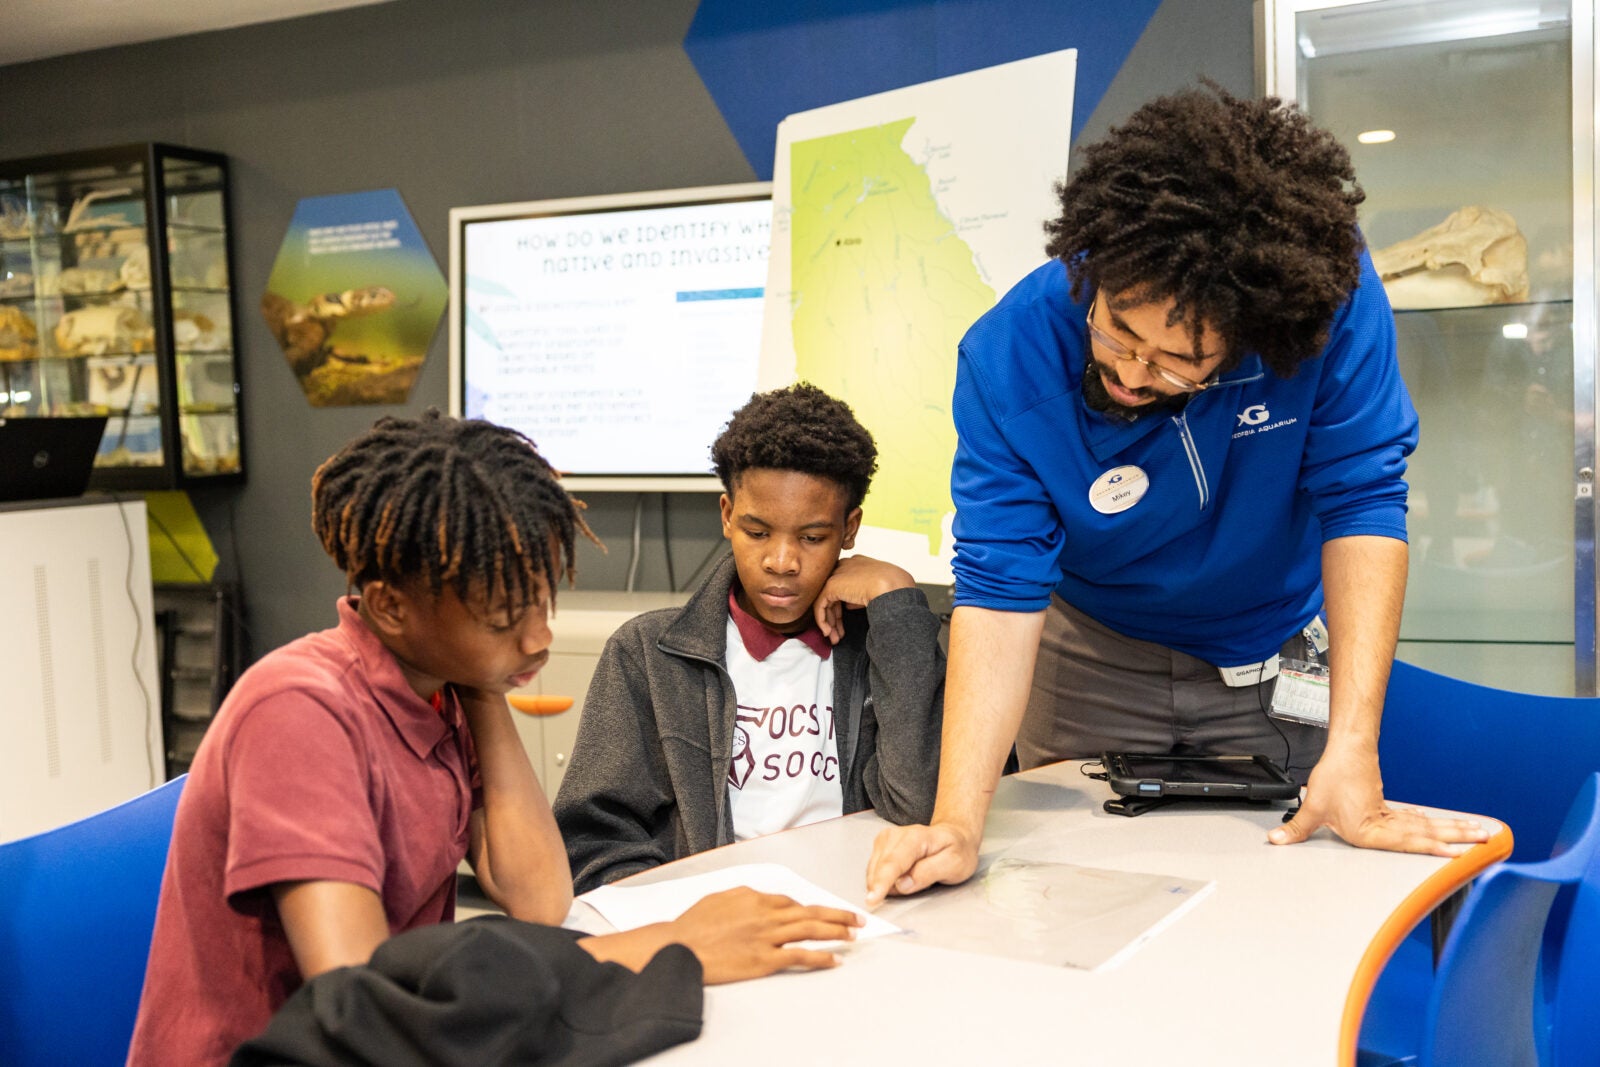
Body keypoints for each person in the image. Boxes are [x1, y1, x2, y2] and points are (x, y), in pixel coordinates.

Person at [865, 84, 1489, 906]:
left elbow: (1364, 497)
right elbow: (999, 588)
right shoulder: (1008, 357)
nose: (1130, 373)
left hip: (1270, 650)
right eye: (1118, 330)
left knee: (1284, 898)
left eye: (1176, 362)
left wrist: (1353, 742)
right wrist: (955, 822)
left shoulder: (1319, 304)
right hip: (1090, 650)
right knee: (1074, 901)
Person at [128, 411, 864, 1066]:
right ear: (388, 606)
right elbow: (360, 1002)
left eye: (541, 598)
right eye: (503, 614)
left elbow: (539, 899)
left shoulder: (443, 688)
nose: (539, 635)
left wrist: (483, 685)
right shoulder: (300, 712)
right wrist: (669, 945)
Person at [555, 384, 944, 892]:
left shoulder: (884, 646)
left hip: (856, 903)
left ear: (849, 530)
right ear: (726, 516)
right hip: (713, 915)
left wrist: (896, 599)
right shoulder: (648, 654)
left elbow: (915, 805)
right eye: (758, 533)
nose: (781, 562)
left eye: (812, 537)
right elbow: (594, 840)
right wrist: (686, 915)